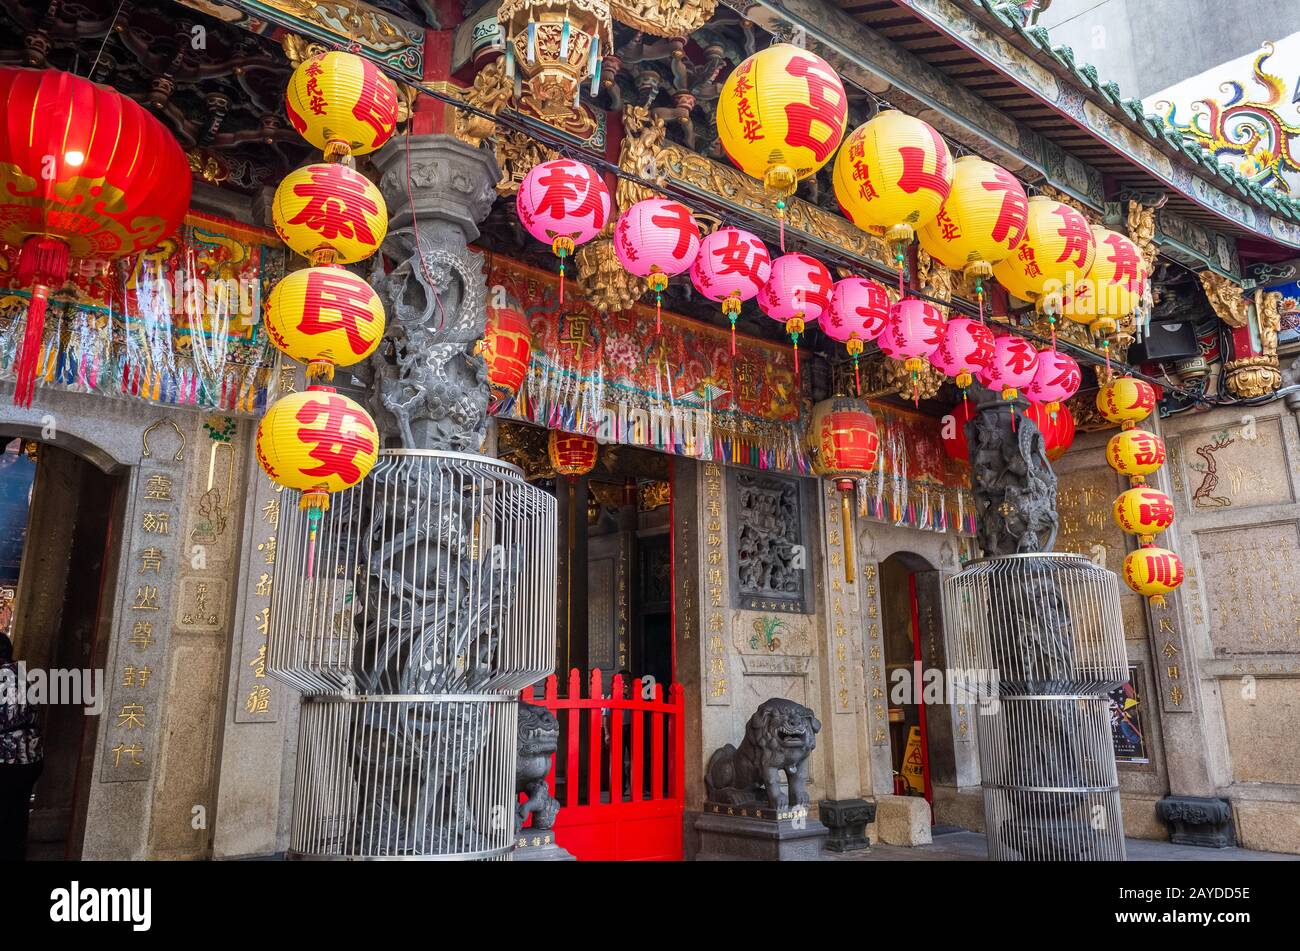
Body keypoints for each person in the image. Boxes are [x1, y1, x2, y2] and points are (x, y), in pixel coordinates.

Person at [0, 633, 42, 861]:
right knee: (17, 815)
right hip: (30, 759)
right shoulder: (23, 674)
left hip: (9, 760)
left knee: (6, 816)